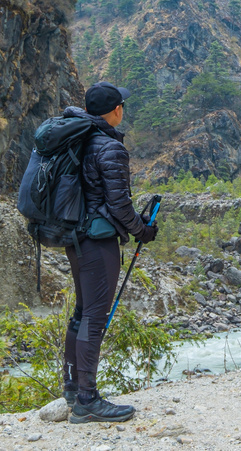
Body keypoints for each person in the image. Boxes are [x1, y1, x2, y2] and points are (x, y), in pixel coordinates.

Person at [60, 81, 159, 424]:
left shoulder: (79, 138)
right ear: (115, 111)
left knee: (82, 312)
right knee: (94, 318)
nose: (123, 110)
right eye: (122, 106)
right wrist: (143, 230)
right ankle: (87, 399)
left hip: (75, 239)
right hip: (98, 244)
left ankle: (72, 388)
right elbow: (119, 206)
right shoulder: (109, 147)